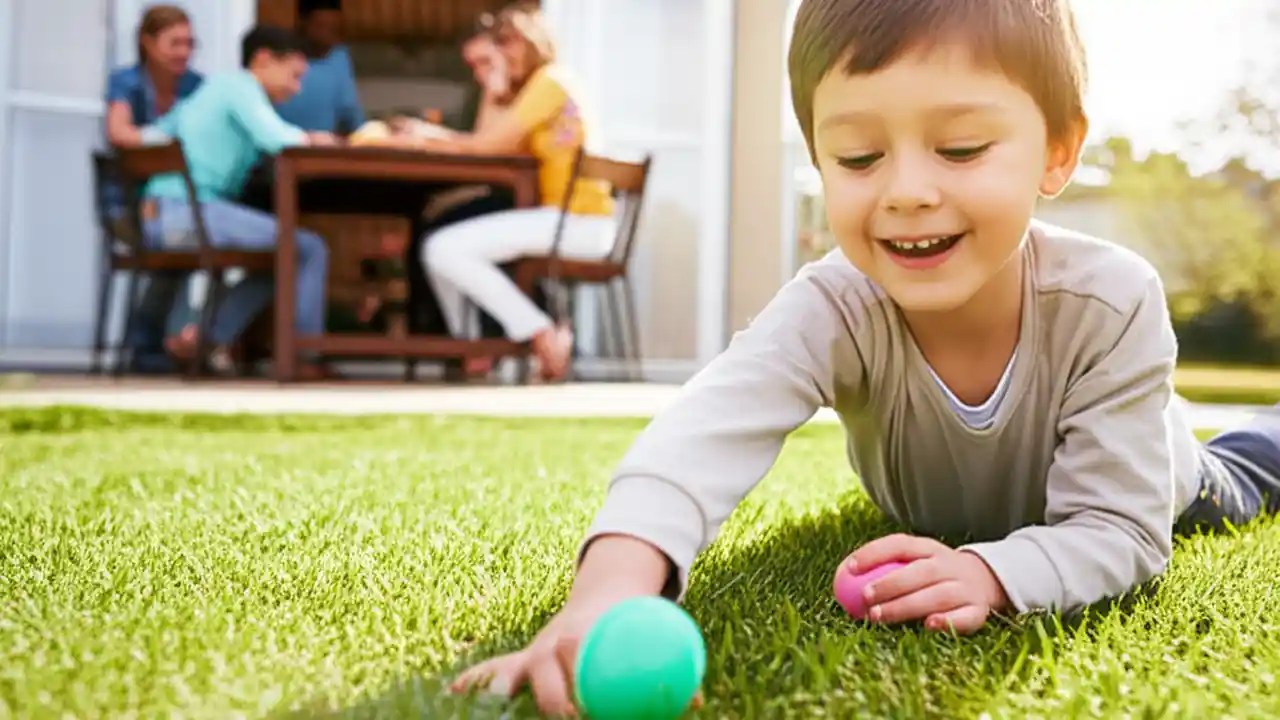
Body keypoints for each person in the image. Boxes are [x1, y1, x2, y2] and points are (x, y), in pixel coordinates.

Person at [448, 0, 1280, 714]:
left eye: (960, 150)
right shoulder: (833, 303)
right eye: (857, 157)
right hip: (965, 507)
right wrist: (607, 592)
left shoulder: (1111, 302)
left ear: (1058, 151)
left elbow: (1117, 530)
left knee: (1246, 473)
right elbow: (701, 432)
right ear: (819, 157)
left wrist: (996, 572)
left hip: (1177, 479)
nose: (907, 190)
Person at [411, 5, 616, 381]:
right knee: (442, 244)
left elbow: (484, 146)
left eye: (506, 44)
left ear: (530, 41)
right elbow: (492, 147)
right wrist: (495, 87)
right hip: (564, 220)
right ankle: (477, 347)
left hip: (575, 223)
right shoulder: (545, 86)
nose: (501, 56)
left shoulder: (551, 82)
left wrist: (428, 137)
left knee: (442, 247)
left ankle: (539, 333)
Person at [141, 25, 339, 380]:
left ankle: (203, 338)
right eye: (294, 76)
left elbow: (156, 133)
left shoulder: (210, 90)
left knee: (279, 257)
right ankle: (306, 356)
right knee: (308, 247)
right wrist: (317, 139)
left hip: (161, 214)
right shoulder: (239, 86)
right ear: (263, 59)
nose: (297, 88)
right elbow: (277, 138)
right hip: (187, 214)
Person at [103, 4, 204, 373]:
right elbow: (118, 133)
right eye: (174, 42)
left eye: (190, 43)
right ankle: (148, 344)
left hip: (177, 198)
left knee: (189, 240)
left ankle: (169, 343)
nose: (183, 52)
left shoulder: (196, 87)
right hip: (129, 203)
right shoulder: (126, 82)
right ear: (147, 42)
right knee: (175, 241)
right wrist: (164, 140)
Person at [273, 0, 365, 134]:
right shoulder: (279, 57)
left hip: (322, 150)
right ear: (302, 23)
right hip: (279, 148)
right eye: (321, 27)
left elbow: (351, 116)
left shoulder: (339, 57)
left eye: (334, 30)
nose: (329, 38)